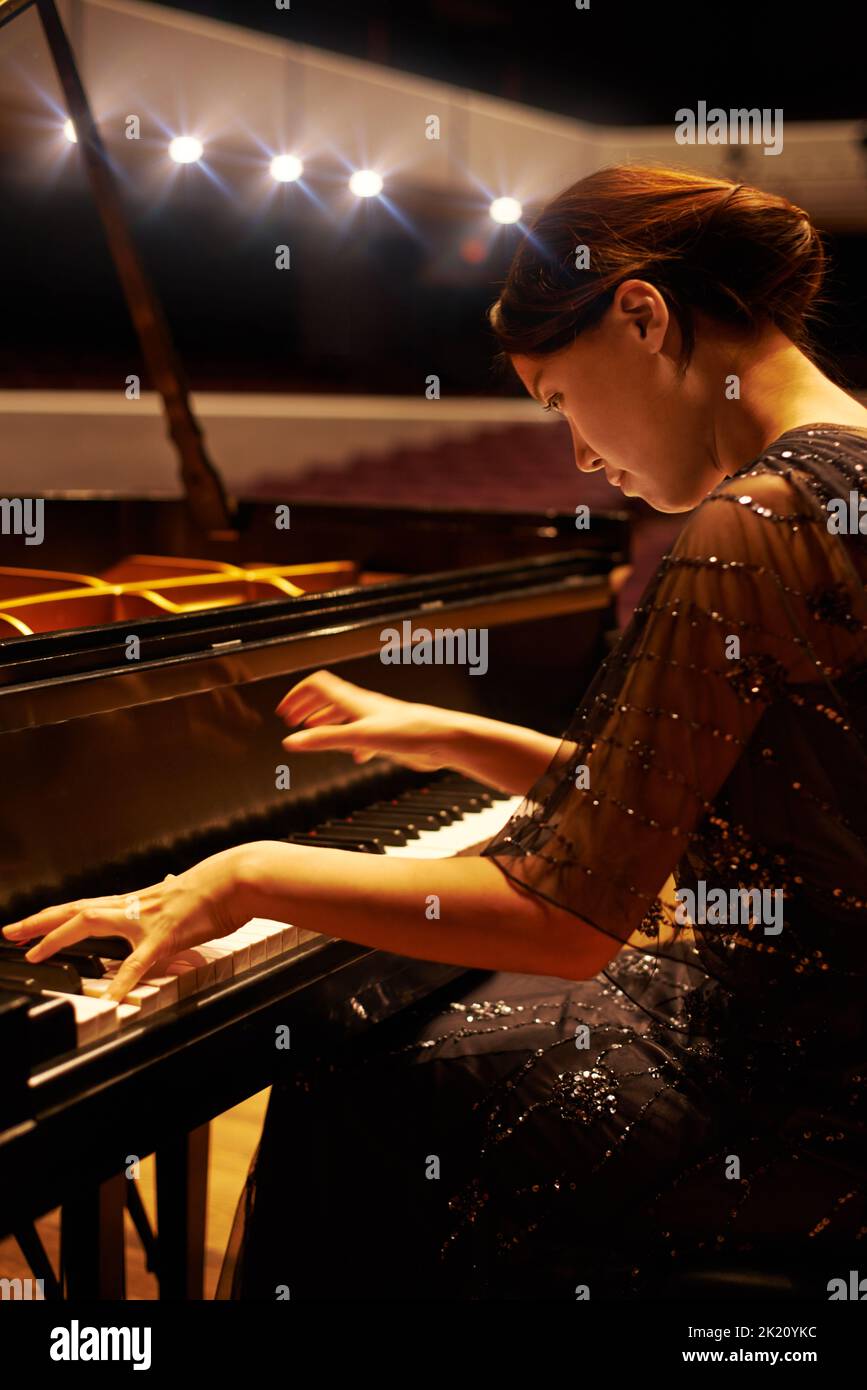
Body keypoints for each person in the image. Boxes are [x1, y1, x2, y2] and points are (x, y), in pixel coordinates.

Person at [6, 164, 867, 1300]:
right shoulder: (842, 469)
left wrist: (249, 872)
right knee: (395, 1019)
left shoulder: (749, 523)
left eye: (558, 400)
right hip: (831, 1050)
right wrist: (453, 736)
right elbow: (742, 805)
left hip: (787, 1090)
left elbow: (566, 920)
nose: (578, 457)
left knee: (350, 1070)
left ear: (644, 316)